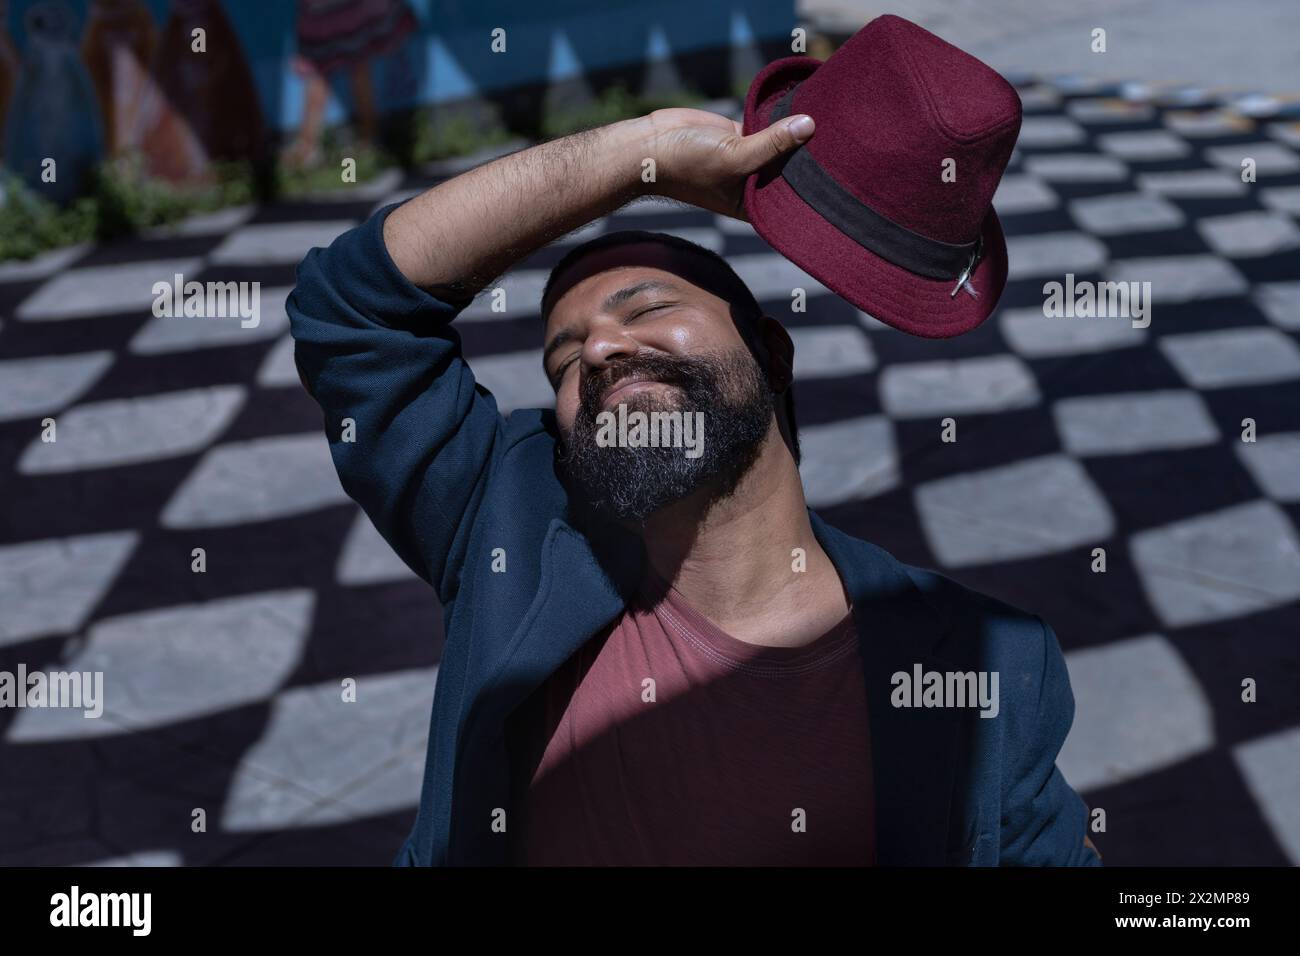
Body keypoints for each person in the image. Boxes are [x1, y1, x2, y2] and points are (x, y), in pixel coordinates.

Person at [287, 102, 1102, 867]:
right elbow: (351, 308)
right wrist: (642, 156)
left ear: (772, 355)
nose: (600, 352)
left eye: (644, 310)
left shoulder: (982, 657)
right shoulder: (509, 517)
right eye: (563, 360)